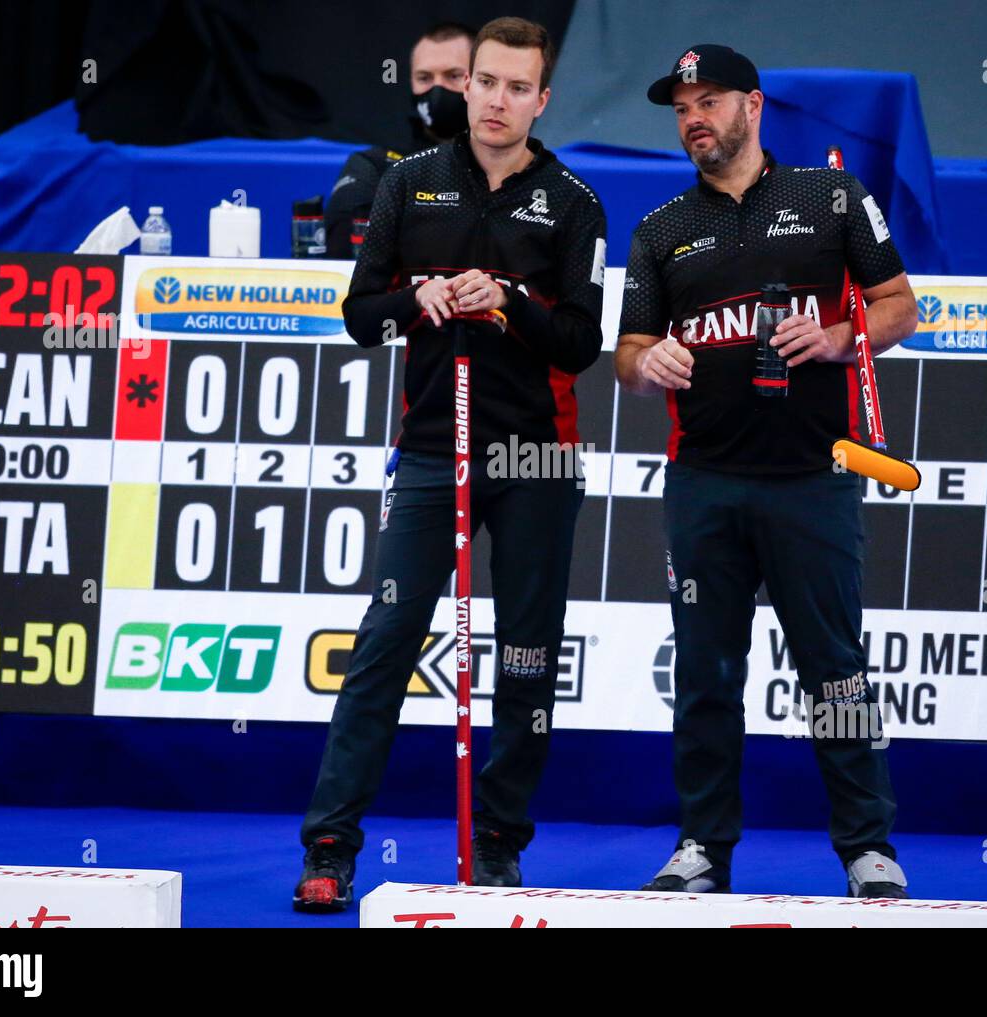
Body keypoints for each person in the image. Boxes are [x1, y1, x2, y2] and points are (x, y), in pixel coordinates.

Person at [294, 17, 607, 912]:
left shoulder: (574, 200)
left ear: (542, 100)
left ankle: (501, 841)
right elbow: (362, 313)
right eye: (487, 82)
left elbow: (582, 340)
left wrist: (508, 301)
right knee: (386, 643)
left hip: (537, 456)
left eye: (519, 88)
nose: (499, 100)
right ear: (463, 86)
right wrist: (418, 297)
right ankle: (329, 843)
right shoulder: (408, 184)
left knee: (526, 657)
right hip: (434, 449)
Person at [615, 44, 919, 898]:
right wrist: (649, 364)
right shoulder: (661, 228)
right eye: (680, 108)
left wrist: (836, 338)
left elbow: (901, 302)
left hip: (812, 479)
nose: (692, 120)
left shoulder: (830, 196)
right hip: (704, 483)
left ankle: (868, 846)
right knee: (707, 670)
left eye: (707, 101)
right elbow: (627, 354)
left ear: (753, 105)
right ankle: (702, 847)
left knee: (836, 666)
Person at [323, 21, 476, 259]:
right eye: (424, 78)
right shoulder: (375, 166)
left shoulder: (512, 167)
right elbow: (344, 254)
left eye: (453, 76)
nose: (437, 90)